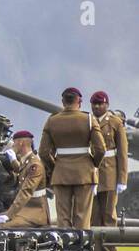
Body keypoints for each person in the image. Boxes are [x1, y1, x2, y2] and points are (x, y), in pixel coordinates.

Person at [40, 87, 105, 229]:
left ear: (63, 102)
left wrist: (54, 167)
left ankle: (65, 249)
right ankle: (81, 248)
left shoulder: (52, 121)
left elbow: (43, 152)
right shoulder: (88, 119)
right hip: (84, 174)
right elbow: (100, 149)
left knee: (63, 218)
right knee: (82, 217)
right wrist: (93, 164)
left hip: (61, 173)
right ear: (79, 102)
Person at [90, 91, 130, 251]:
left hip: (110, 172)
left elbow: (122, 153)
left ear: (106, 104)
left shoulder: (115, 122)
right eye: (94, 104)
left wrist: (122, 179)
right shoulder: (88, 121)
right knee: (94, 216)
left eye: (100, 104)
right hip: (92, 172)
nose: (97, 107)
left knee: (109, 216)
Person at [0, 130, 50, 228]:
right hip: (25, 209)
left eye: (14, 143)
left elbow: (26, 192)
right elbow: (21, 169)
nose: (13, 146)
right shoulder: (28, 160)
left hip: (35, 212)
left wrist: (9, 214)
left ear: (21, 143)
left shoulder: (35, 165)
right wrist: (13, 160)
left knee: (3, 226)